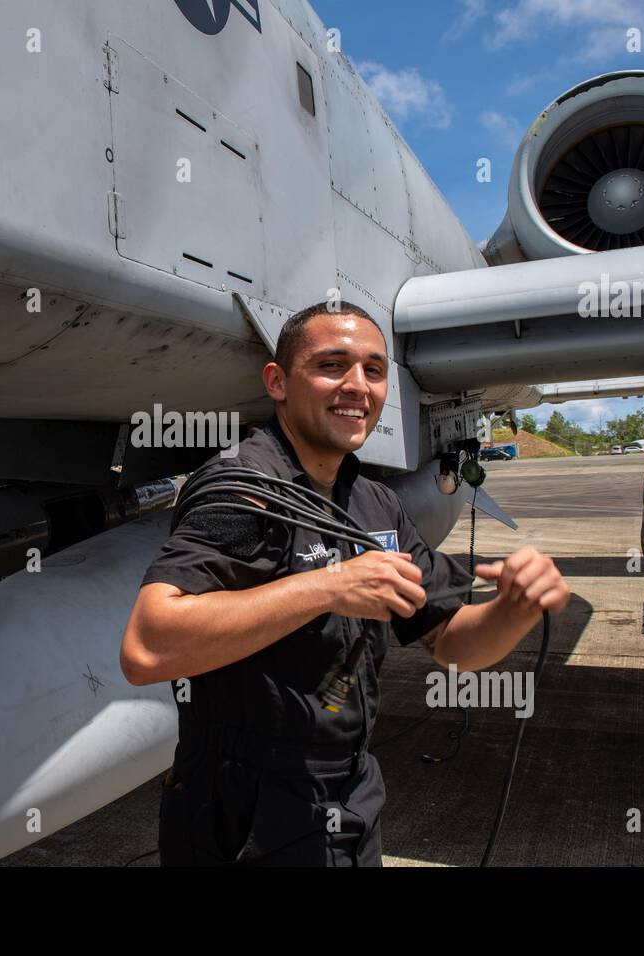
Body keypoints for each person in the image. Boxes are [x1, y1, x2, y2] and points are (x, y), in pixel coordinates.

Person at [119, 300, 570, 866]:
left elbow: (453, 644)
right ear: (278, 382)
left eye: (374, 370)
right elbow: (147, 646)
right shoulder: (241, 488)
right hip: (240, 811)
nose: (358, 385)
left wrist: (515, 608)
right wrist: (330, 586)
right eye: (332, 366)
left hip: (349, 794)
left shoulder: (373, 502)